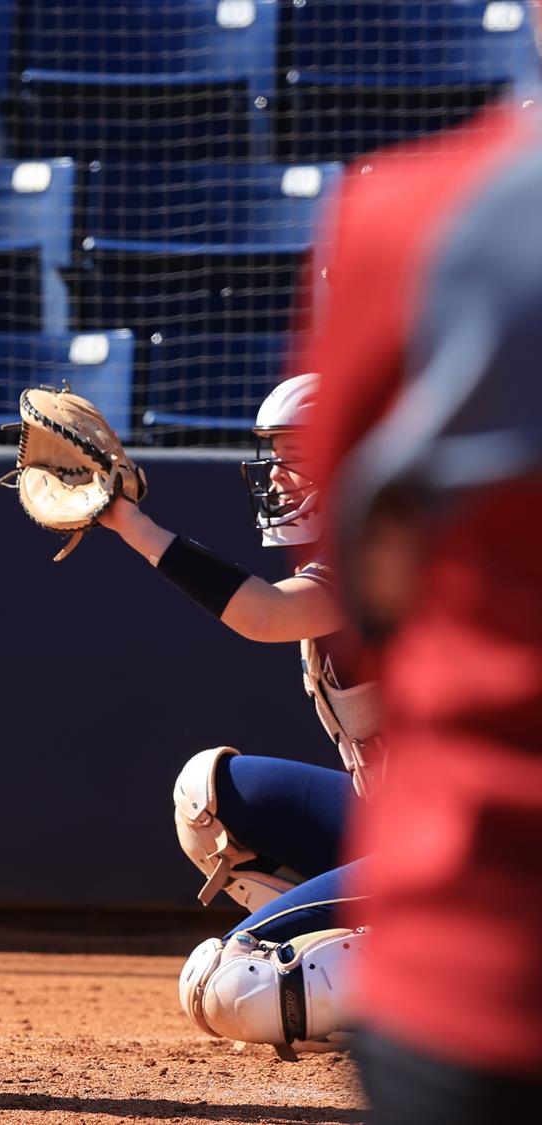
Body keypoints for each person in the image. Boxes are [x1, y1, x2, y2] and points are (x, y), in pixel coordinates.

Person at [300, 77, 542, 1122]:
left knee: (236, 980)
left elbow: (361, 579)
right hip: (454, 912)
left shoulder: (406, 210)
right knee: (204, 792)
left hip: (472, 937)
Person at [93, 374, 373, 1057]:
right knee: (206, 794)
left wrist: (129, 521)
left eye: (294, 452)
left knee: (226, 986)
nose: (277, 472)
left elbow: (263, 613)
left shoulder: (394, 553)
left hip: (467, 852)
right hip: (395, 819)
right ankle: (350, 958)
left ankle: (423, 982)